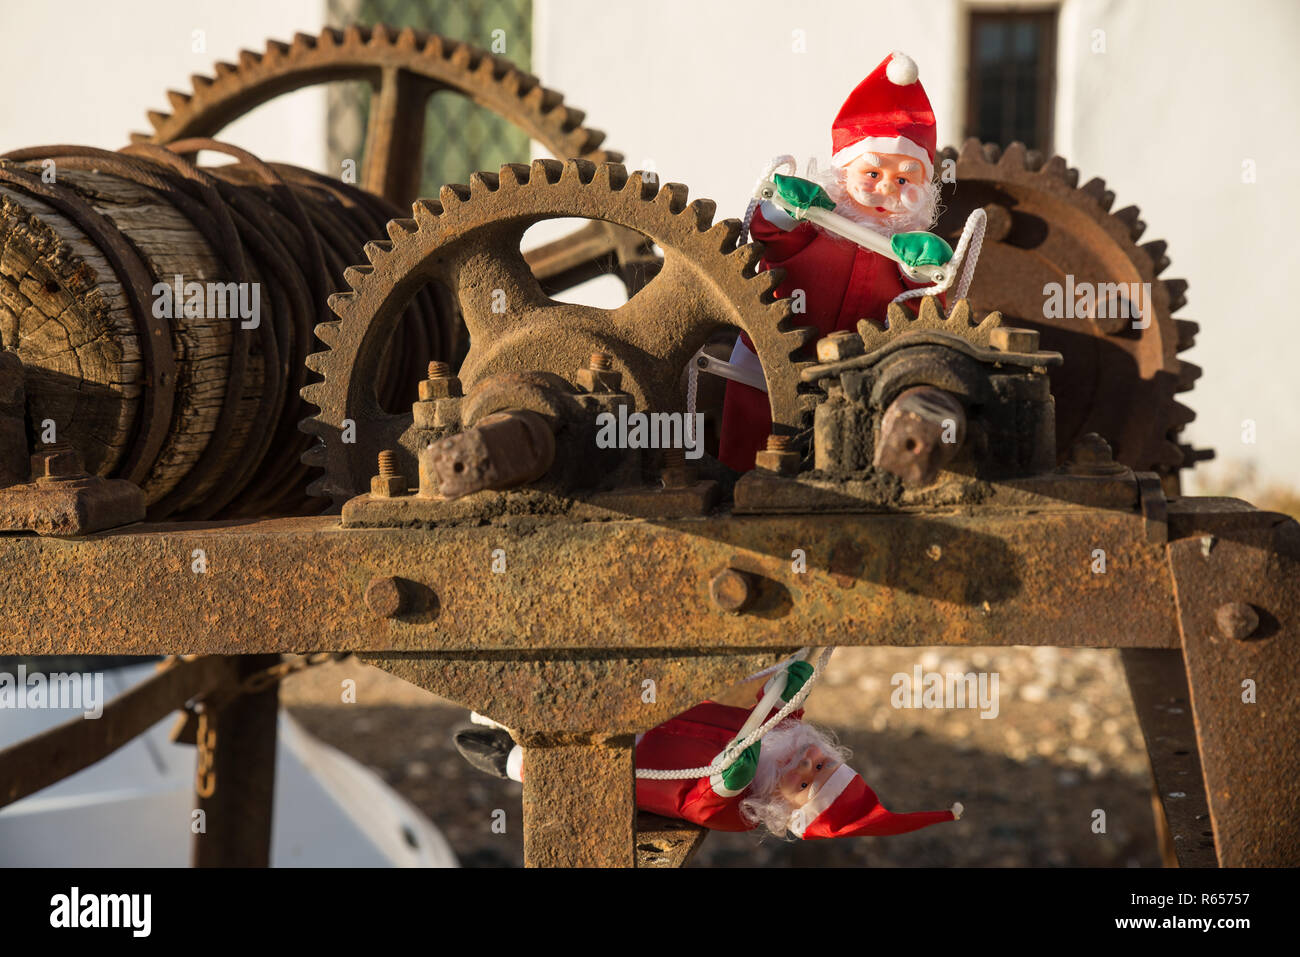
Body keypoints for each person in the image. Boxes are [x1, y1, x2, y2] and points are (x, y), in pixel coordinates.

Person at [719, 51, 953, 472]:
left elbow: (925, 313)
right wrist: (787, 207)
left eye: (904, 179)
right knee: (749, 451)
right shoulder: (817, 224)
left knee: (841, 463)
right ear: (844, 173)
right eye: (873, 174)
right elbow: (767, 234)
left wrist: (925, 273)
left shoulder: (905, 254)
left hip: (855, 383)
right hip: (768, 365)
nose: (886, 189)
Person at [455, 660, 962, 840]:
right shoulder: (789, 740)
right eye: (822, 763)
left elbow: (707, 803)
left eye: (805, 784)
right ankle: (505, 701)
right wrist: (793, 686)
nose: (806, 763)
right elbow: (785, 710)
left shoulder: (745, 807)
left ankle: (508, 757)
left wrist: (730, 779)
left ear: (785, 808)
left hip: (646, 764)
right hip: (657, 710)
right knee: (580, 702)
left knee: (580, 760)